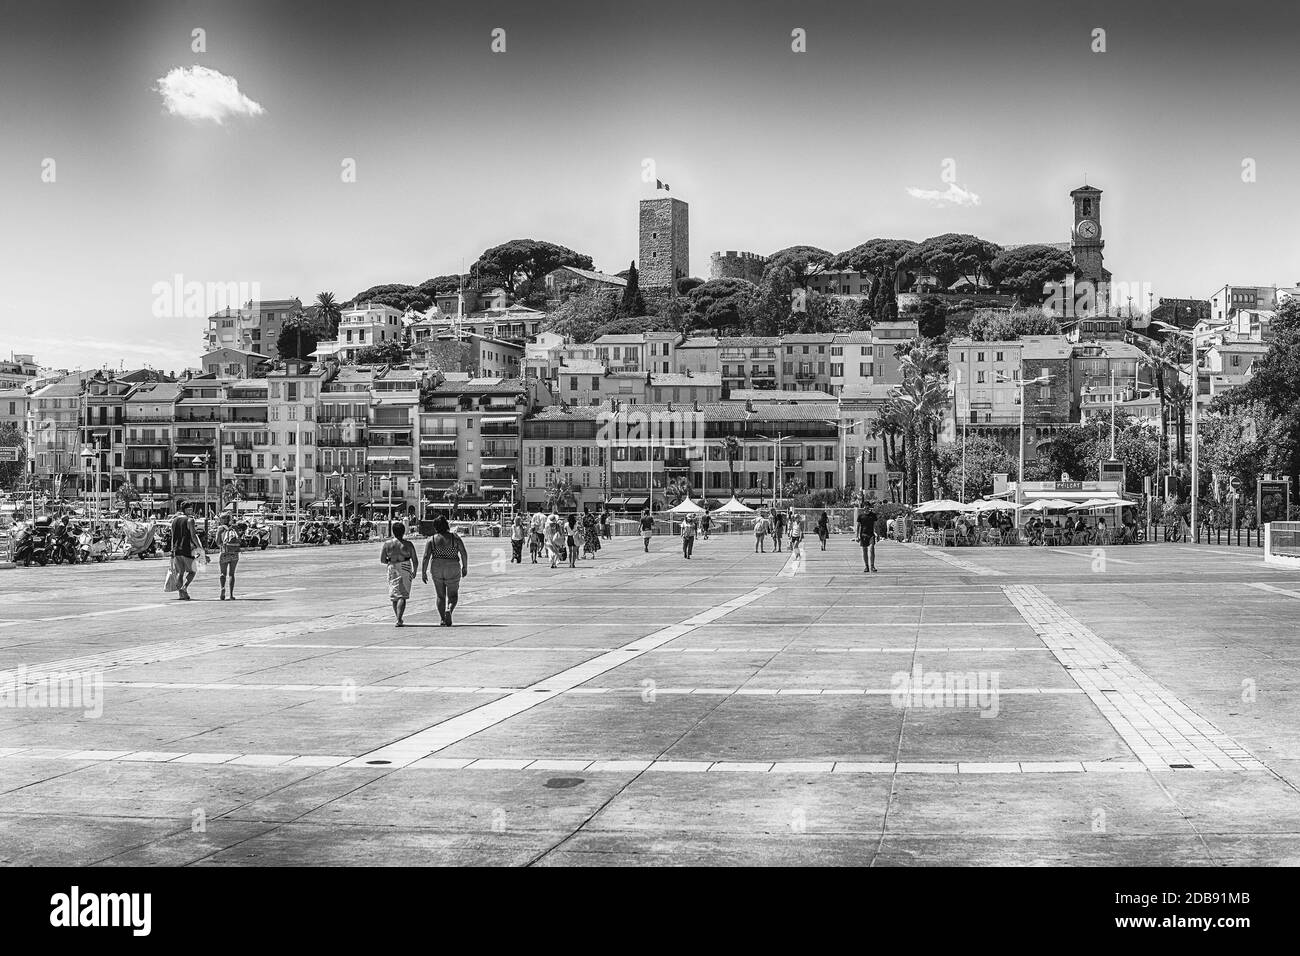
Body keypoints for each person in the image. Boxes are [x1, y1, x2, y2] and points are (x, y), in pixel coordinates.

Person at [422, 516, 469, 626]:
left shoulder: (431, 539)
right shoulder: (455, 538)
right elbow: (463, 552)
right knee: (453, 595)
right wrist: (464, 567)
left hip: (437, 566)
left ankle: (443, 619)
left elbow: (426, 556)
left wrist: (423, 572)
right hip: (452, 565)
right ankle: (449, 609)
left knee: (440, 595)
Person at [379, 521, 418, 626]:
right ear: (403, 531)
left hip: (392, 568)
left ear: (393, 531)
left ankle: (398, 618)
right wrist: (415, 571)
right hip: (405, 567)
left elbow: (382, 560)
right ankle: (399, 618)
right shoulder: (408, 544)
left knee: (394, 594)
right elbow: (415, 560)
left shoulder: (387, 544)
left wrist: (391, 562)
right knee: (402, 594)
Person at [167, 500, 205, 600]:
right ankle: (184, 587)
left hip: (176, 549)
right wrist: (200, 548)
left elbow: (172, 536)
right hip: (186, 548)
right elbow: (193, 535)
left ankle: (181, 594)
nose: (191, 511)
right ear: (186, 510)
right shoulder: (190, 520)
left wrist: (172, 549)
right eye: (190, 509)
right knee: (193, 571)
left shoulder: (174, 520)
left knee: (180, 572)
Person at [216, 513, 241, 600]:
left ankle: (222, 588)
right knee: (231, 574)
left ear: (222, 520)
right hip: (234, 553)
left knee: (223, 573)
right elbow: (239, 539)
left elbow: (217, 542)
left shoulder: (220, 528)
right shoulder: (235, 527)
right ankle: (231, 595)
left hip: (224, 552)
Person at [856, 500, 879, 572]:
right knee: (864, 550)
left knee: (872, 549)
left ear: (869, 508)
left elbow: (876, 526)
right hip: (863, 534)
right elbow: (858, 526)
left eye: (867, 508)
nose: (866, 509)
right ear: (863, 508)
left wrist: (878, 534)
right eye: (865, 508)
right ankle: (866, 566)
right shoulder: (860, 516)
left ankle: (872, 566)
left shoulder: (873, 515)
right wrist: (857, 536)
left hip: (871, 534)